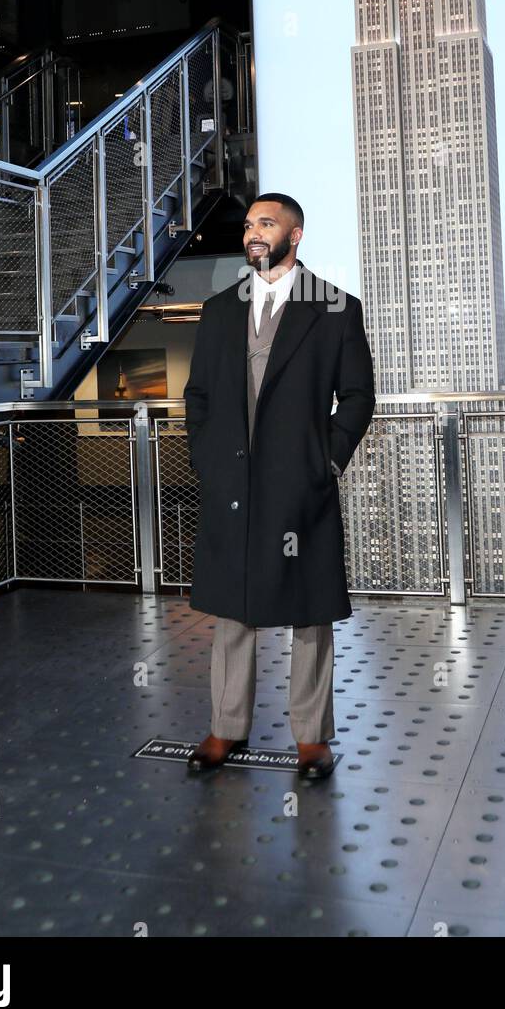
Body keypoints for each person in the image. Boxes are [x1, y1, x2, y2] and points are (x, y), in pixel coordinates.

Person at [183, 193, 375, 778]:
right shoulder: (219, 310)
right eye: (247, 225)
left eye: (266, 224)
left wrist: (328, 463)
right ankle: (226, 728)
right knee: (231, 609)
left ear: (295, 235)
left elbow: (359, 396)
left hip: (301, 486)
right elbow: (199, 398)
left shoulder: (336, 308)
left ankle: (313, 738)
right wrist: (208, 463)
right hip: (233, 485)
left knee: (309, 610)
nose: (253, 234)